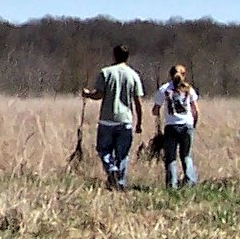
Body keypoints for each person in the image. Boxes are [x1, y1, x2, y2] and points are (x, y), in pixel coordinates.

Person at [81, 44, 145, 190]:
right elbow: (138, 102)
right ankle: (120, 183)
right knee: (122, 155)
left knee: (104, 150)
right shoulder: (133, 75)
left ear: (114, 55)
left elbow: (99, 95)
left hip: (107, 120)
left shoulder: (105, 72)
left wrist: (87, 94)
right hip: (125, 120)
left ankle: (111, 170)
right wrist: (139, 122)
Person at [151, 64, 201, 189]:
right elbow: (196, 110)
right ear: (184, 75)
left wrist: (158, 118)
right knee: (186, 156)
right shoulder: (189, 89)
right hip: (187, 125)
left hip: (171, 127)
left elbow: (155, 109)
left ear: (170, 74)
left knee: (170, 157)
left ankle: (171, 185)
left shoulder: (165, 89)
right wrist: (193, 125)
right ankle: (190, 182)